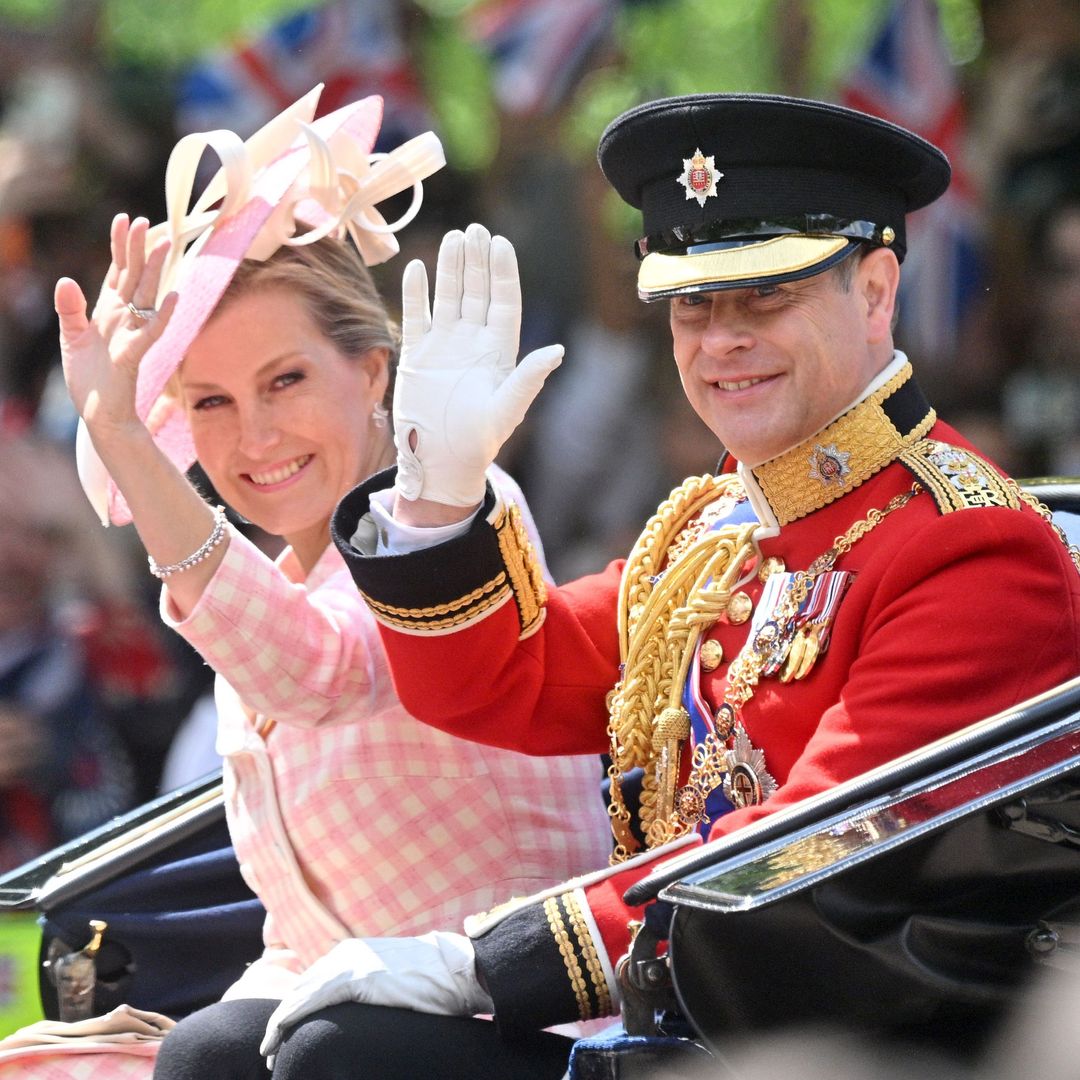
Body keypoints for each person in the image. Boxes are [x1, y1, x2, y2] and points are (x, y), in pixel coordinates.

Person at [250, 94, 1080, 1077]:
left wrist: (481, 960)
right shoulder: (710, 529)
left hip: (816, 1039)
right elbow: (502, 682)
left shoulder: (968, 546)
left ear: (874, 290)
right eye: (693, 303)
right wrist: (435, 495)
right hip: (669, 1012)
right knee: (227, 1050)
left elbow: (803, 853)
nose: (719, 339)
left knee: (335, 1055)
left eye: (765, 296)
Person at [4, 87, 611, 1080]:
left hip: (529, 1022)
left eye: (285, 382)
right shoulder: (270, 572)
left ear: (374, 373)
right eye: (208, 402)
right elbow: (299, 953)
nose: (255, 439)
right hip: (339, 1024)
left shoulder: (453, 505)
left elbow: (319, 669)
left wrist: (121, 435)